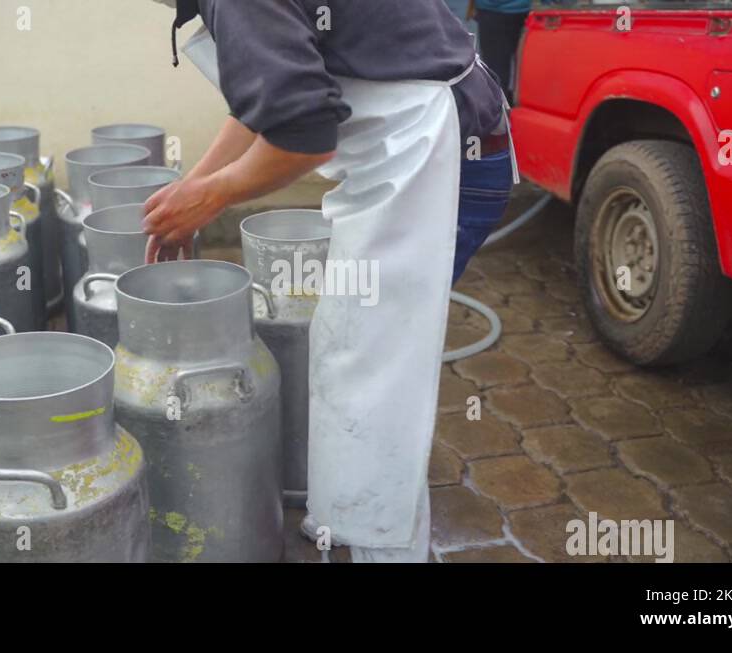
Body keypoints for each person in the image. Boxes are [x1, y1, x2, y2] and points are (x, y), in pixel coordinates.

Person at [144, 0, 516, 562]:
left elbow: (303, 135)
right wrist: (188, 189)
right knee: (353, 352)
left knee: (379, 374)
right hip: (410, 149)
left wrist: (208, 197)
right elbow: (265, 106)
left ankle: (385, 546)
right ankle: (350, 514)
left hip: (441, 153)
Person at [468, 0, 531, 103]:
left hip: (492, 10)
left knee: (496, 68)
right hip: (523, 10)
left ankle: (501, 108)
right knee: (525, 65)